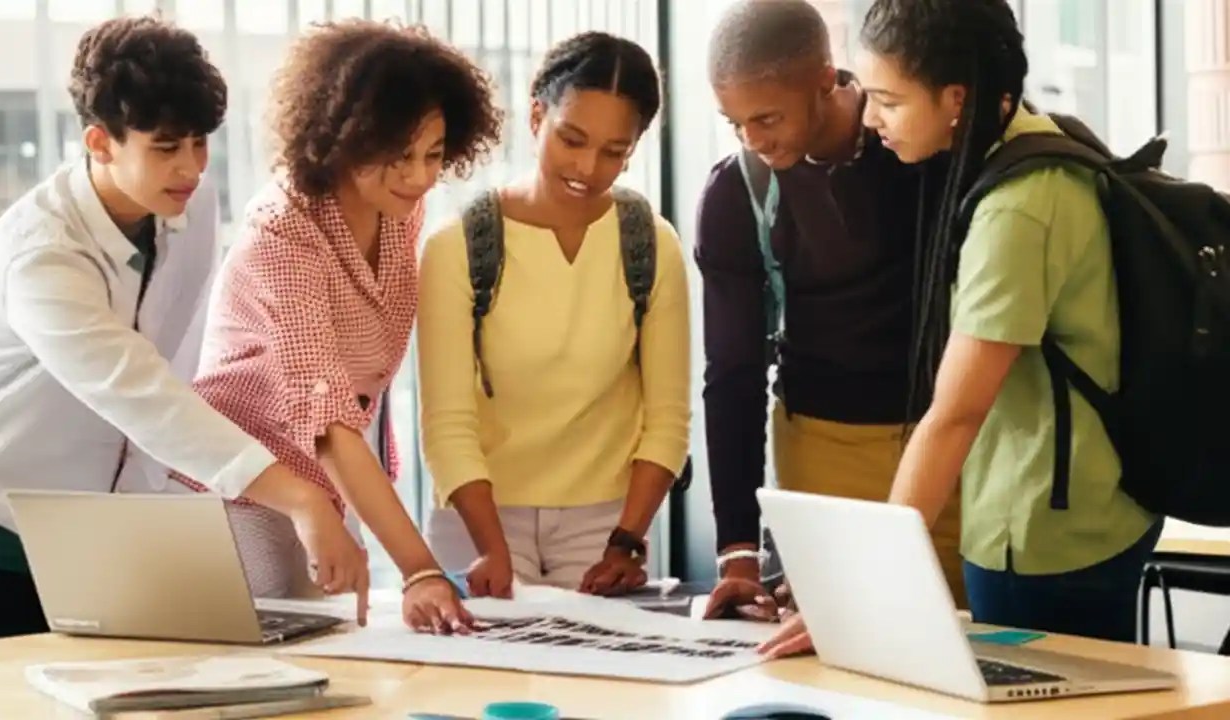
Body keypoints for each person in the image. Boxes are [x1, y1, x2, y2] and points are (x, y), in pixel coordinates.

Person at [760, 0, 1162, 657]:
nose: (870, 117)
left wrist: (866, 588)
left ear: (955, 98)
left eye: (889, 100)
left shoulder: (1019, 207)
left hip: (1042, 534)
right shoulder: (1037, 146)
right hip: (1081, 511)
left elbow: (955, 412)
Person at [0, 16, 366, 643]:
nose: (192, 167)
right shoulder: (42, 256)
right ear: (100, 143)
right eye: (166, 147)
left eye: (200, 142)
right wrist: (302, 499)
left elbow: (176, 356)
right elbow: (144, 396)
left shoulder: (187, 204)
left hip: (92, 528)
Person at [168, 19, 503, 634]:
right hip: (245, 490)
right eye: (400, 156)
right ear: (343, 138)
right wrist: (420, 570)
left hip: (327, 487)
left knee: (332, 661)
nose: (422, 176)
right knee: (259, 662)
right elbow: (327, 423)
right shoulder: (284, 230)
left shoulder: (398, 206)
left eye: (433, 154)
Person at [697, 0, 960, 622]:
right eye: (734, 123)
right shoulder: (736, 192)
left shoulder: (919, 146)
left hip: (949, 447)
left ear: (825, 81)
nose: (752, 140)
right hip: (818, 451)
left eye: (766, 117)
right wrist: (737, 549)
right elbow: (731, 373)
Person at [418, 32, 690, 598]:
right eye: (573, 139)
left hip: (606, 524)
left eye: (614, 151)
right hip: (479, 514)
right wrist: (491, 548)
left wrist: (626, 541)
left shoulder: (651, 245)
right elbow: (446, 424)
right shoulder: (459, 247)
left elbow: (668, 420)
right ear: (537, 115)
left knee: (598, 684)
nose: (589, 168)